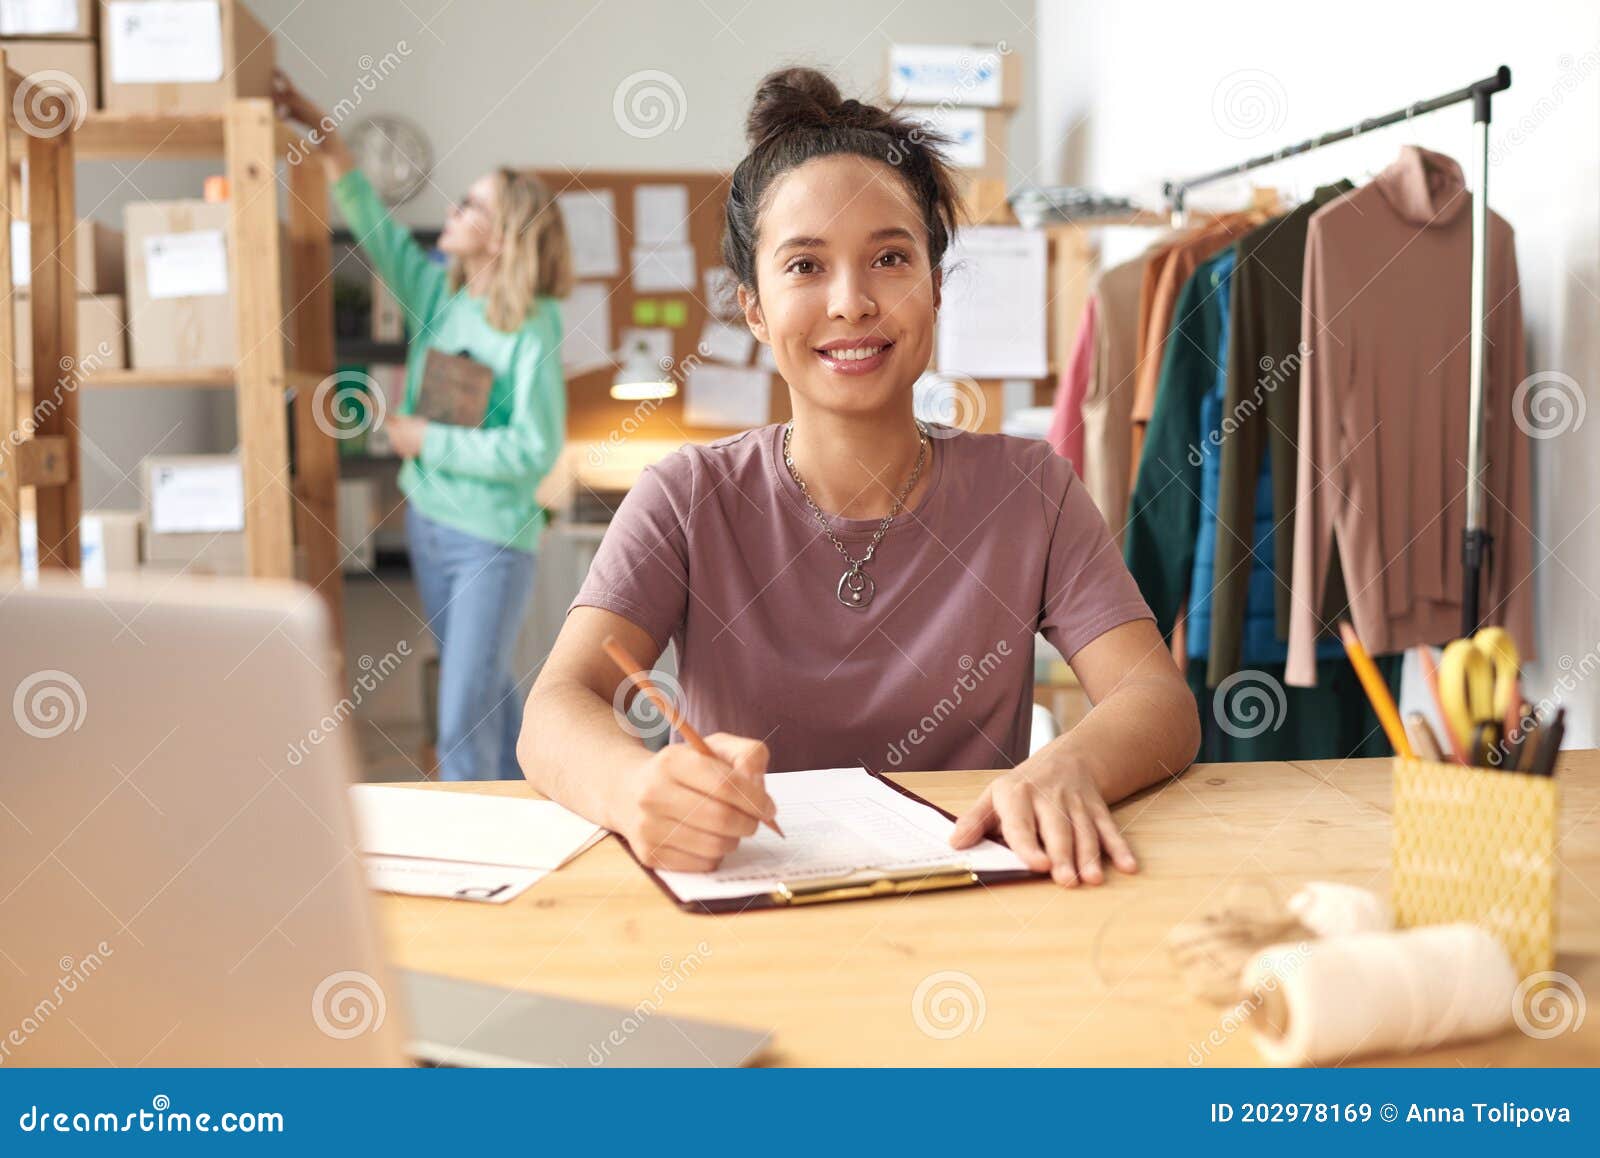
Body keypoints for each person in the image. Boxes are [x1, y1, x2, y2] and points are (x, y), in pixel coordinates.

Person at [520, 67, 1200, 886]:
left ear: (936, 287)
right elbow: (553, 712)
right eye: (805, 266)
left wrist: (1069, 763)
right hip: (746, 897)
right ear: (755, 308)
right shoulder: (688, 496)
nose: (852, 302)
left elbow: (1158, 704)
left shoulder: (1031, 489)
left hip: (972, 900)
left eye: (889, 257)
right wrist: (635, 789)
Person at [275, 72, 574, 780]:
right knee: (486, 695)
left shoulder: (530, 325)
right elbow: (373, 224)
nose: (453, 207)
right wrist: (323, 129)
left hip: (490, 542)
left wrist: (425, 440)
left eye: (471, 206)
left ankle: (471, 863)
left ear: (502, 238)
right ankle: (521, 826)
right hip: (431, 527)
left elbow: (536, 449)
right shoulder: (438, 293)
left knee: (460, 721)